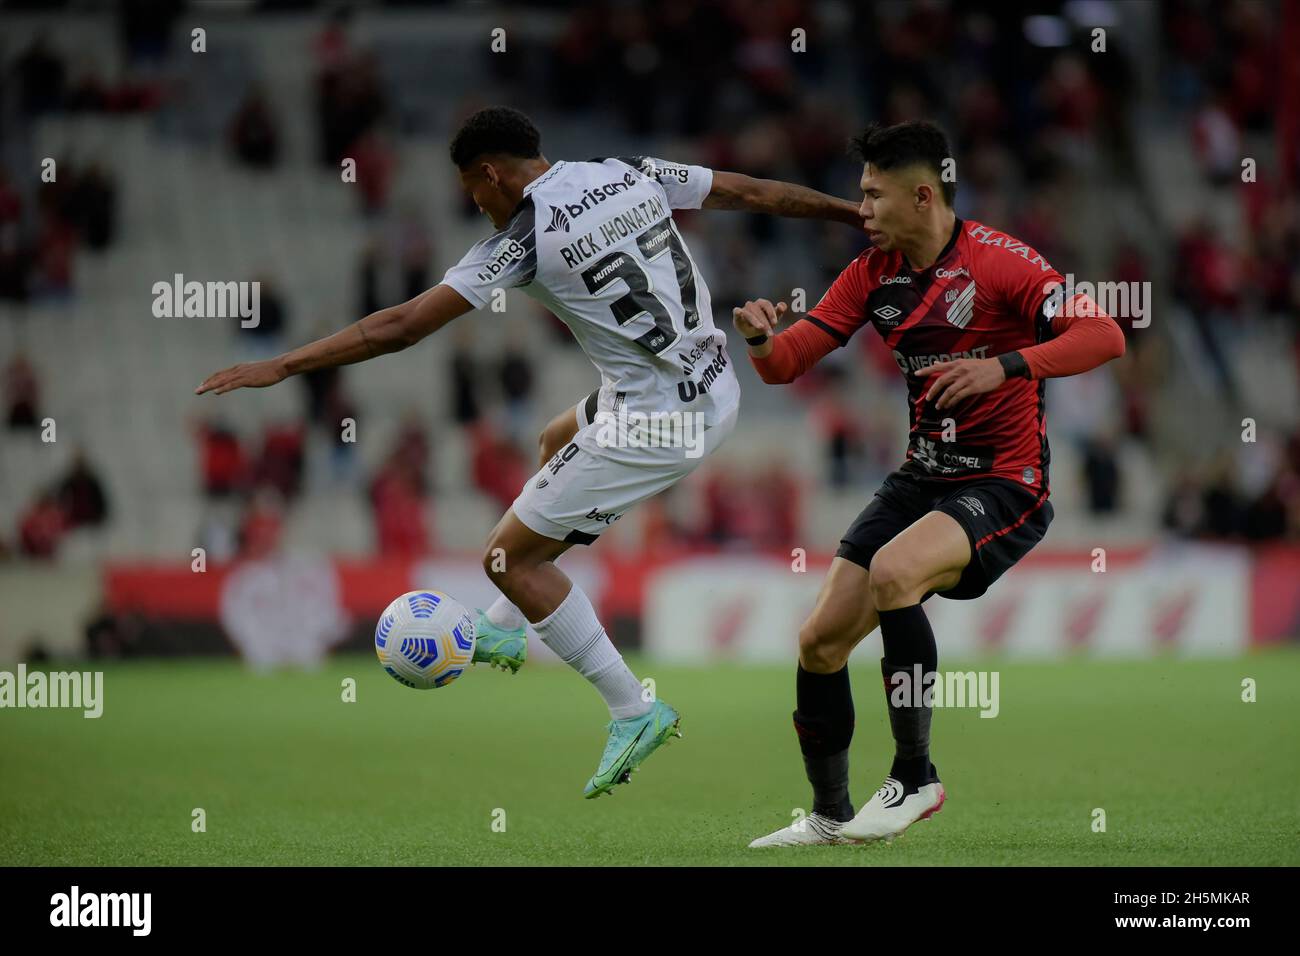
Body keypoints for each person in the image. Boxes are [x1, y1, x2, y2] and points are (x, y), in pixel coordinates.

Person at [196, 106, 862, 798]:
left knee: (505, 556)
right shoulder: (626, 172)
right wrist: (850, 215)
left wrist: (282, 366)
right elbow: (752, 191)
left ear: (489, 173)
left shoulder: (523, 238)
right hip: (711, 383)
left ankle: (633, 708)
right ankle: (504, 629)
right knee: (553, 439)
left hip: (662, 418)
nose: (475, 205)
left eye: (471, 191)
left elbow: (399, 326)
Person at [735, 121, 1125, 847]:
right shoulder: (869, 274)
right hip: (921, 480)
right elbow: (786, 365)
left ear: (922, 196)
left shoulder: (1002, 262)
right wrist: (760, 336)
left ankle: (915, 778)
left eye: (874, 195)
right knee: (819, 642)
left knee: (894, 573)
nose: (862, 210)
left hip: (1005, 484)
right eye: (860, 194)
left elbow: (1105, 335)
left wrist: (1008, 365)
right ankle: (828, 815)